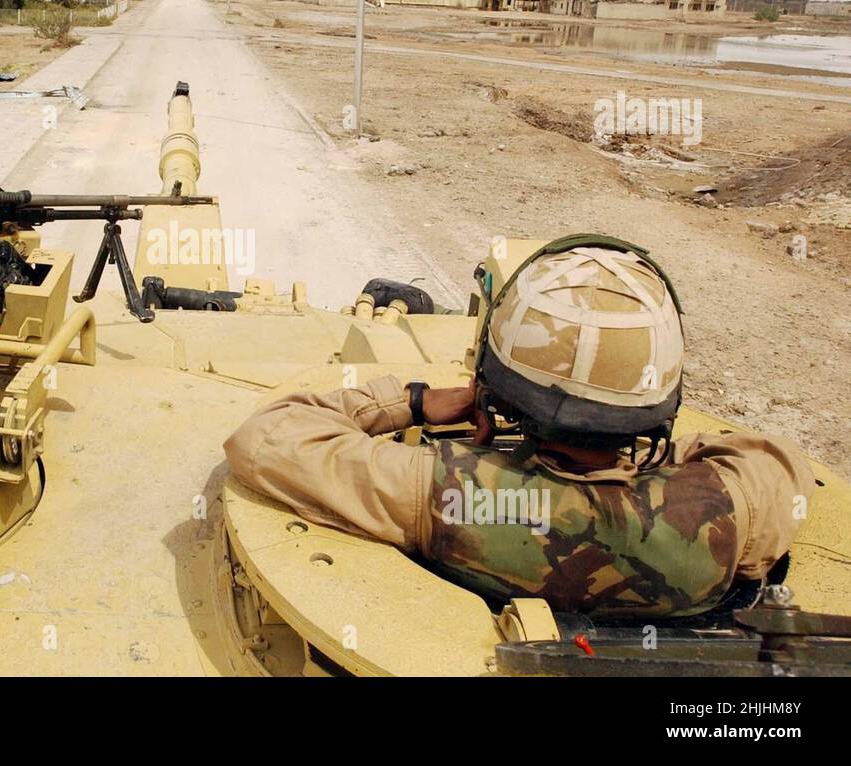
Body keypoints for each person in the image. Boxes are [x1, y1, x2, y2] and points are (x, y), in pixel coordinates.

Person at [224, 236, 814, 617]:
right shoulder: (737, 513)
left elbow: (267, 436)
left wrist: (416, 402)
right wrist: (664, 464)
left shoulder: (438, 494)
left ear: (495, 390)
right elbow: (777, 463)